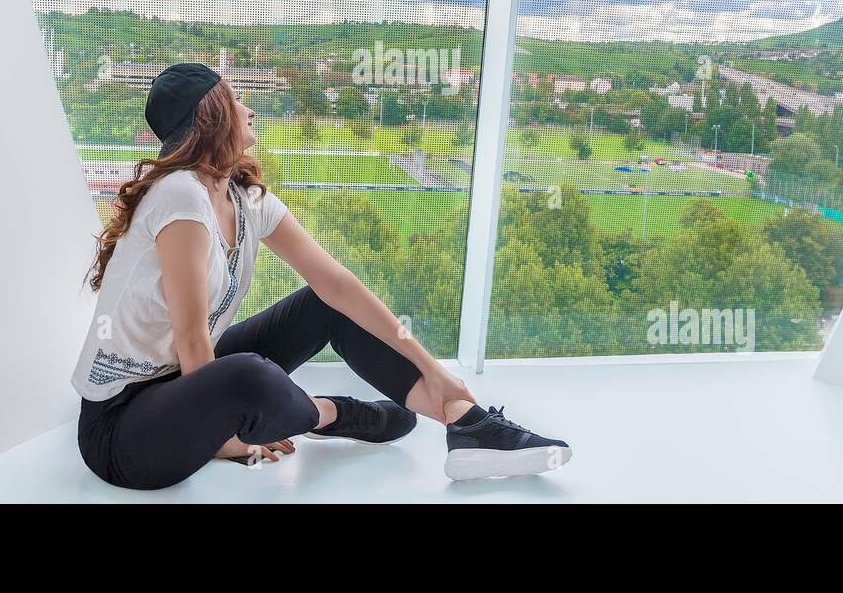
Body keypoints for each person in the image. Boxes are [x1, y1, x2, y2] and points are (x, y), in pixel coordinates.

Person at [73, 62, 570, 489]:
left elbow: (337, 284)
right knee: (247, 375)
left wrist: (432, 368)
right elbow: (190, 337)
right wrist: (224, 438)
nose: (250, 109)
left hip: (184, 382)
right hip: (123, 431)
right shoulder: (179, 194)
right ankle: (333, 412)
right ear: (211, 115)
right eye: (238, 98)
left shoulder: (244, 199)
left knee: (321, 305)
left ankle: (466, 423)